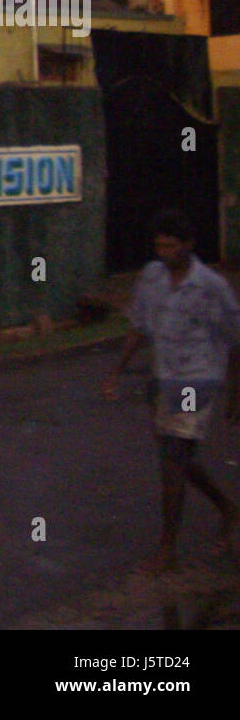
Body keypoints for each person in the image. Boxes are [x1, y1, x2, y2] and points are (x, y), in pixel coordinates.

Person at [104, 209, 239, 574]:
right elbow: (139, 326)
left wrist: (235, 389)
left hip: (200, 378)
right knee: (177, 457)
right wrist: (116, 370)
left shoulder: (211, 285)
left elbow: (234, 337)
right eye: (159, 245)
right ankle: (227, 508)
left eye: (172, 246)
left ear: (189, 245)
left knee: (172, 460)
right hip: (163, 377)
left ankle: (167, 549)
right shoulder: (151, 277)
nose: (165, 252)